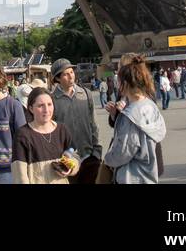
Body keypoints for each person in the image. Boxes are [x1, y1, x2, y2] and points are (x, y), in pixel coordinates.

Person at [104, 54, 166, 184]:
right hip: (148, 172)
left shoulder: (130, 115)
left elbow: (124, 152)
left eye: (118, 79)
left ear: (125, 83)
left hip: (131, 176)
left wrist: (108, 159)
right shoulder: (150, 105)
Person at [49, 58, 102, 183]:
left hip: (89, 156)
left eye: (72, 72)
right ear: (57, 78)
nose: (71, 76)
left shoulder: (86, 94)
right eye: (66, 74)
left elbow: (94, 124)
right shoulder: (51, 100)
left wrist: (97, 153)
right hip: (67, 160)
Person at [11, 88, 75, 184]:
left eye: (49, 104)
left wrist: (70, 168)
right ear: (31, 108)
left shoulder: (62, 130)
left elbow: (75, 155)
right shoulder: (23, 135)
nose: (46, 110)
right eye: (40, 106)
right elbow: (20, 176)